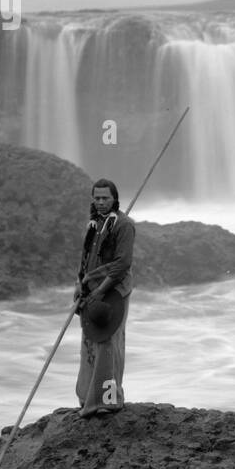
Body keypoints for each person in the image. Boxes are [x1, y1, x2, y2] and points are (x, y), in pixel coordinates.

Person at [75, 178, 135, 417]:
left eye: (105, 198)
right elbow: (86, 260)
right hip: (93, 289)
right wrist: (81, 286)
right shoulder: (95, 225)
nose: (100, 202)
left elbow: (122, 264)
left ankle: (108, 400)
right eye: (97, 198)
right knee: (90, 341)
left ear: (115, 199)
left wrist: (100, 292)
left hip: (114, 291)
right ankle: (88, 397)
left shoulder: (124, 225)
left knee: (109, 343)